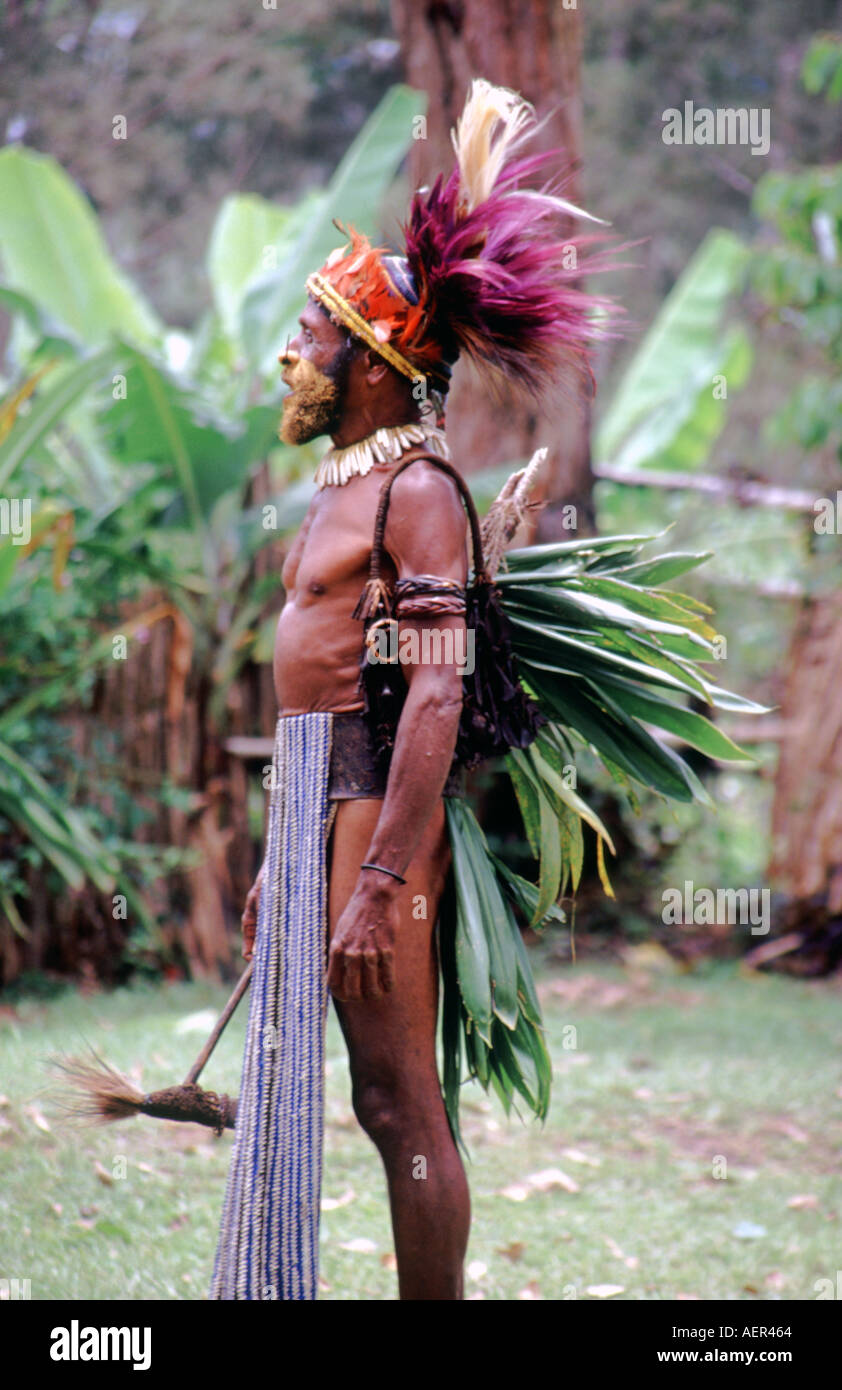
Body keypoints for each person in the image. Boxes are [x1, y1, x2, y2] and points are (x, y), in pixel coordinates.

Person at [210, 77, 612, 1302]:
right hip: (316, 806)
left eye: (319, 332)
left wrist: (382, 877)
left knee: (394, 1099)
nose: (296, 348)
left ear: (378, 364)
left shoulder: (416, 491)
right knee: (368, 1092)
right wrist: (286, 855)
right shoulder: (346, 482)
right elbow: (320, 683)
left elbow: (434, 699)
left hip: (378, 812)